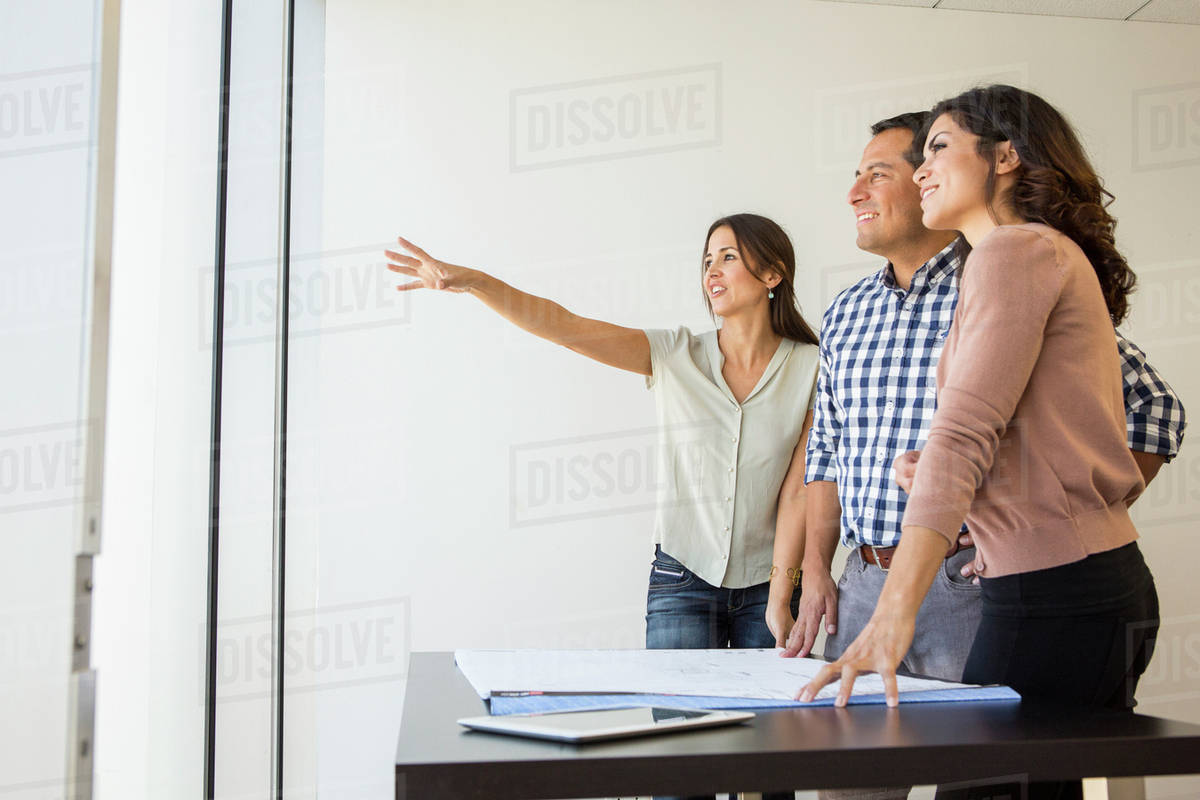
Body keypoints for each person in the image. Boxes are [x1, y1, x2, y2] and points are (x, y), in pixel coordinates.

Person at [787, 109, 1185, 800]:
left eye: (931, 153)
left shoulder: (1009, 254)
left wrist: (900, 604)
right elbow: (1006, 433)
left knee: (985, 787)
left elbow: (969, 432)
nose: (920, 171)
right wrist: (959, 477)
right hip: (990, 578)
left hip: (1005, 584)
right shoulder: (877, 300)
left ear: (1003, 158)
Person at [385, 213, 820, 800]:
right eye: (707, 260)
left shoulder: (813, 368)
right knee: (679, 768)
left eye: (728, 258)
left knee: (770, 772)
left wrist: (781, 589)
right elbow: (565, 326)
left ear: (773, 273)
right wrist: (473, 282)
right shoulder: (672, 354)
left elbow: (804, 488)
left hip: (770, 586)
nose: (711, 272)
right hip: (682, 580)